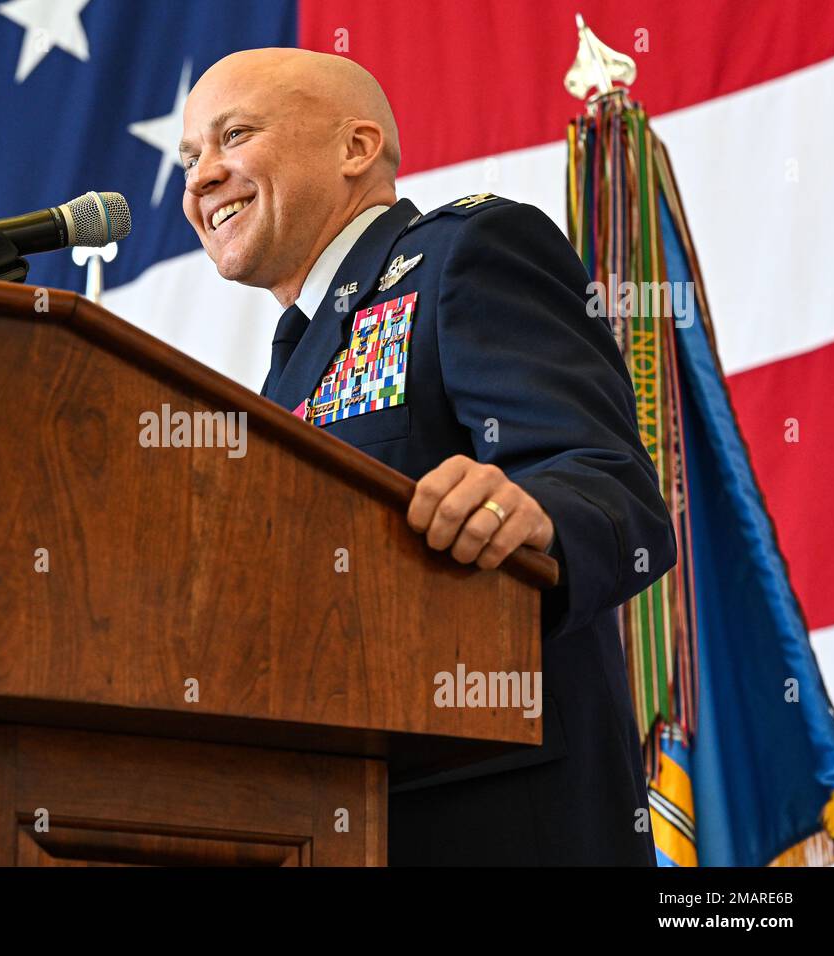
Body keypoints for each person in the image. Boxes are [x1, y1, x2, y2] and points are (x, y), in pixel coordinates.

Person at [179, 47, 677, 865]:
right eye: (191, 158)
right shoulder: (285, 371)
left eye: (234, 135)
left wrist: (533, 512)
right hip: (333, 823)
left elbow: (613, 486)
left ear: (356, 148)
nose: (201, 178)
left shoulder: (466, 253)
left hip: (495, 821)